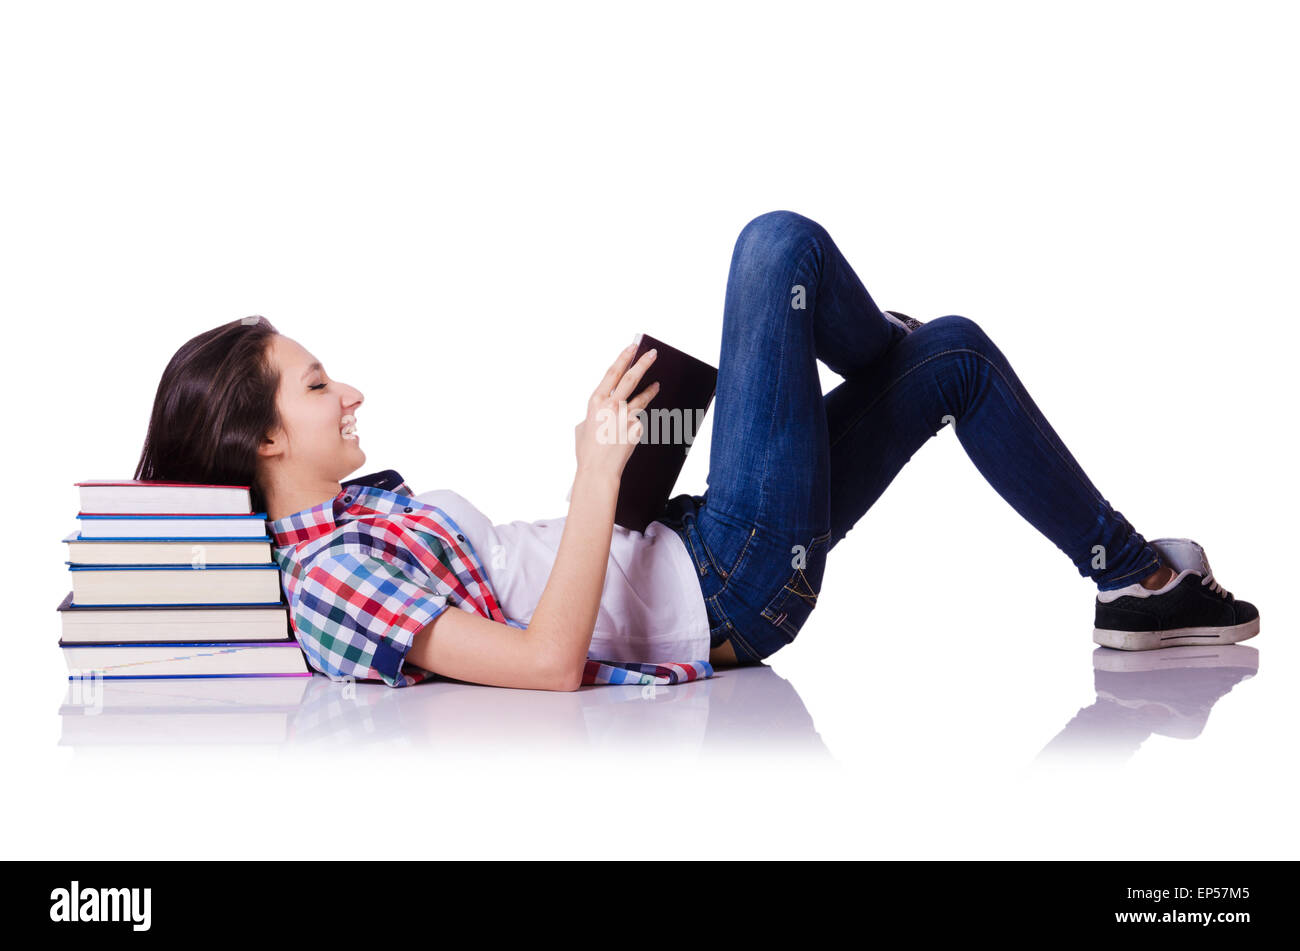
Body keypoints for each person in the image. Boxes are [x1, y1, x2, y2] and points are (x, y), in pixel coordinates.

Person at [133, 211, 1259, 691]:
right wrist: (590, 470)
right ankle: (876, 347)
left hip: (687, 532)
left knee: (955, 357)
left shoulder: (351, 521)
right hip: (730, 588)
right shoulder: (327, 577)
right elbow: (539, 666)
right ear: (264, 435)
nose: (353, 392)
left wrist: (622, 461)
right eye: (321, 385)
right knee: (775, 247)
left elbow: (533, 571)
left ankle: (1134, 580)